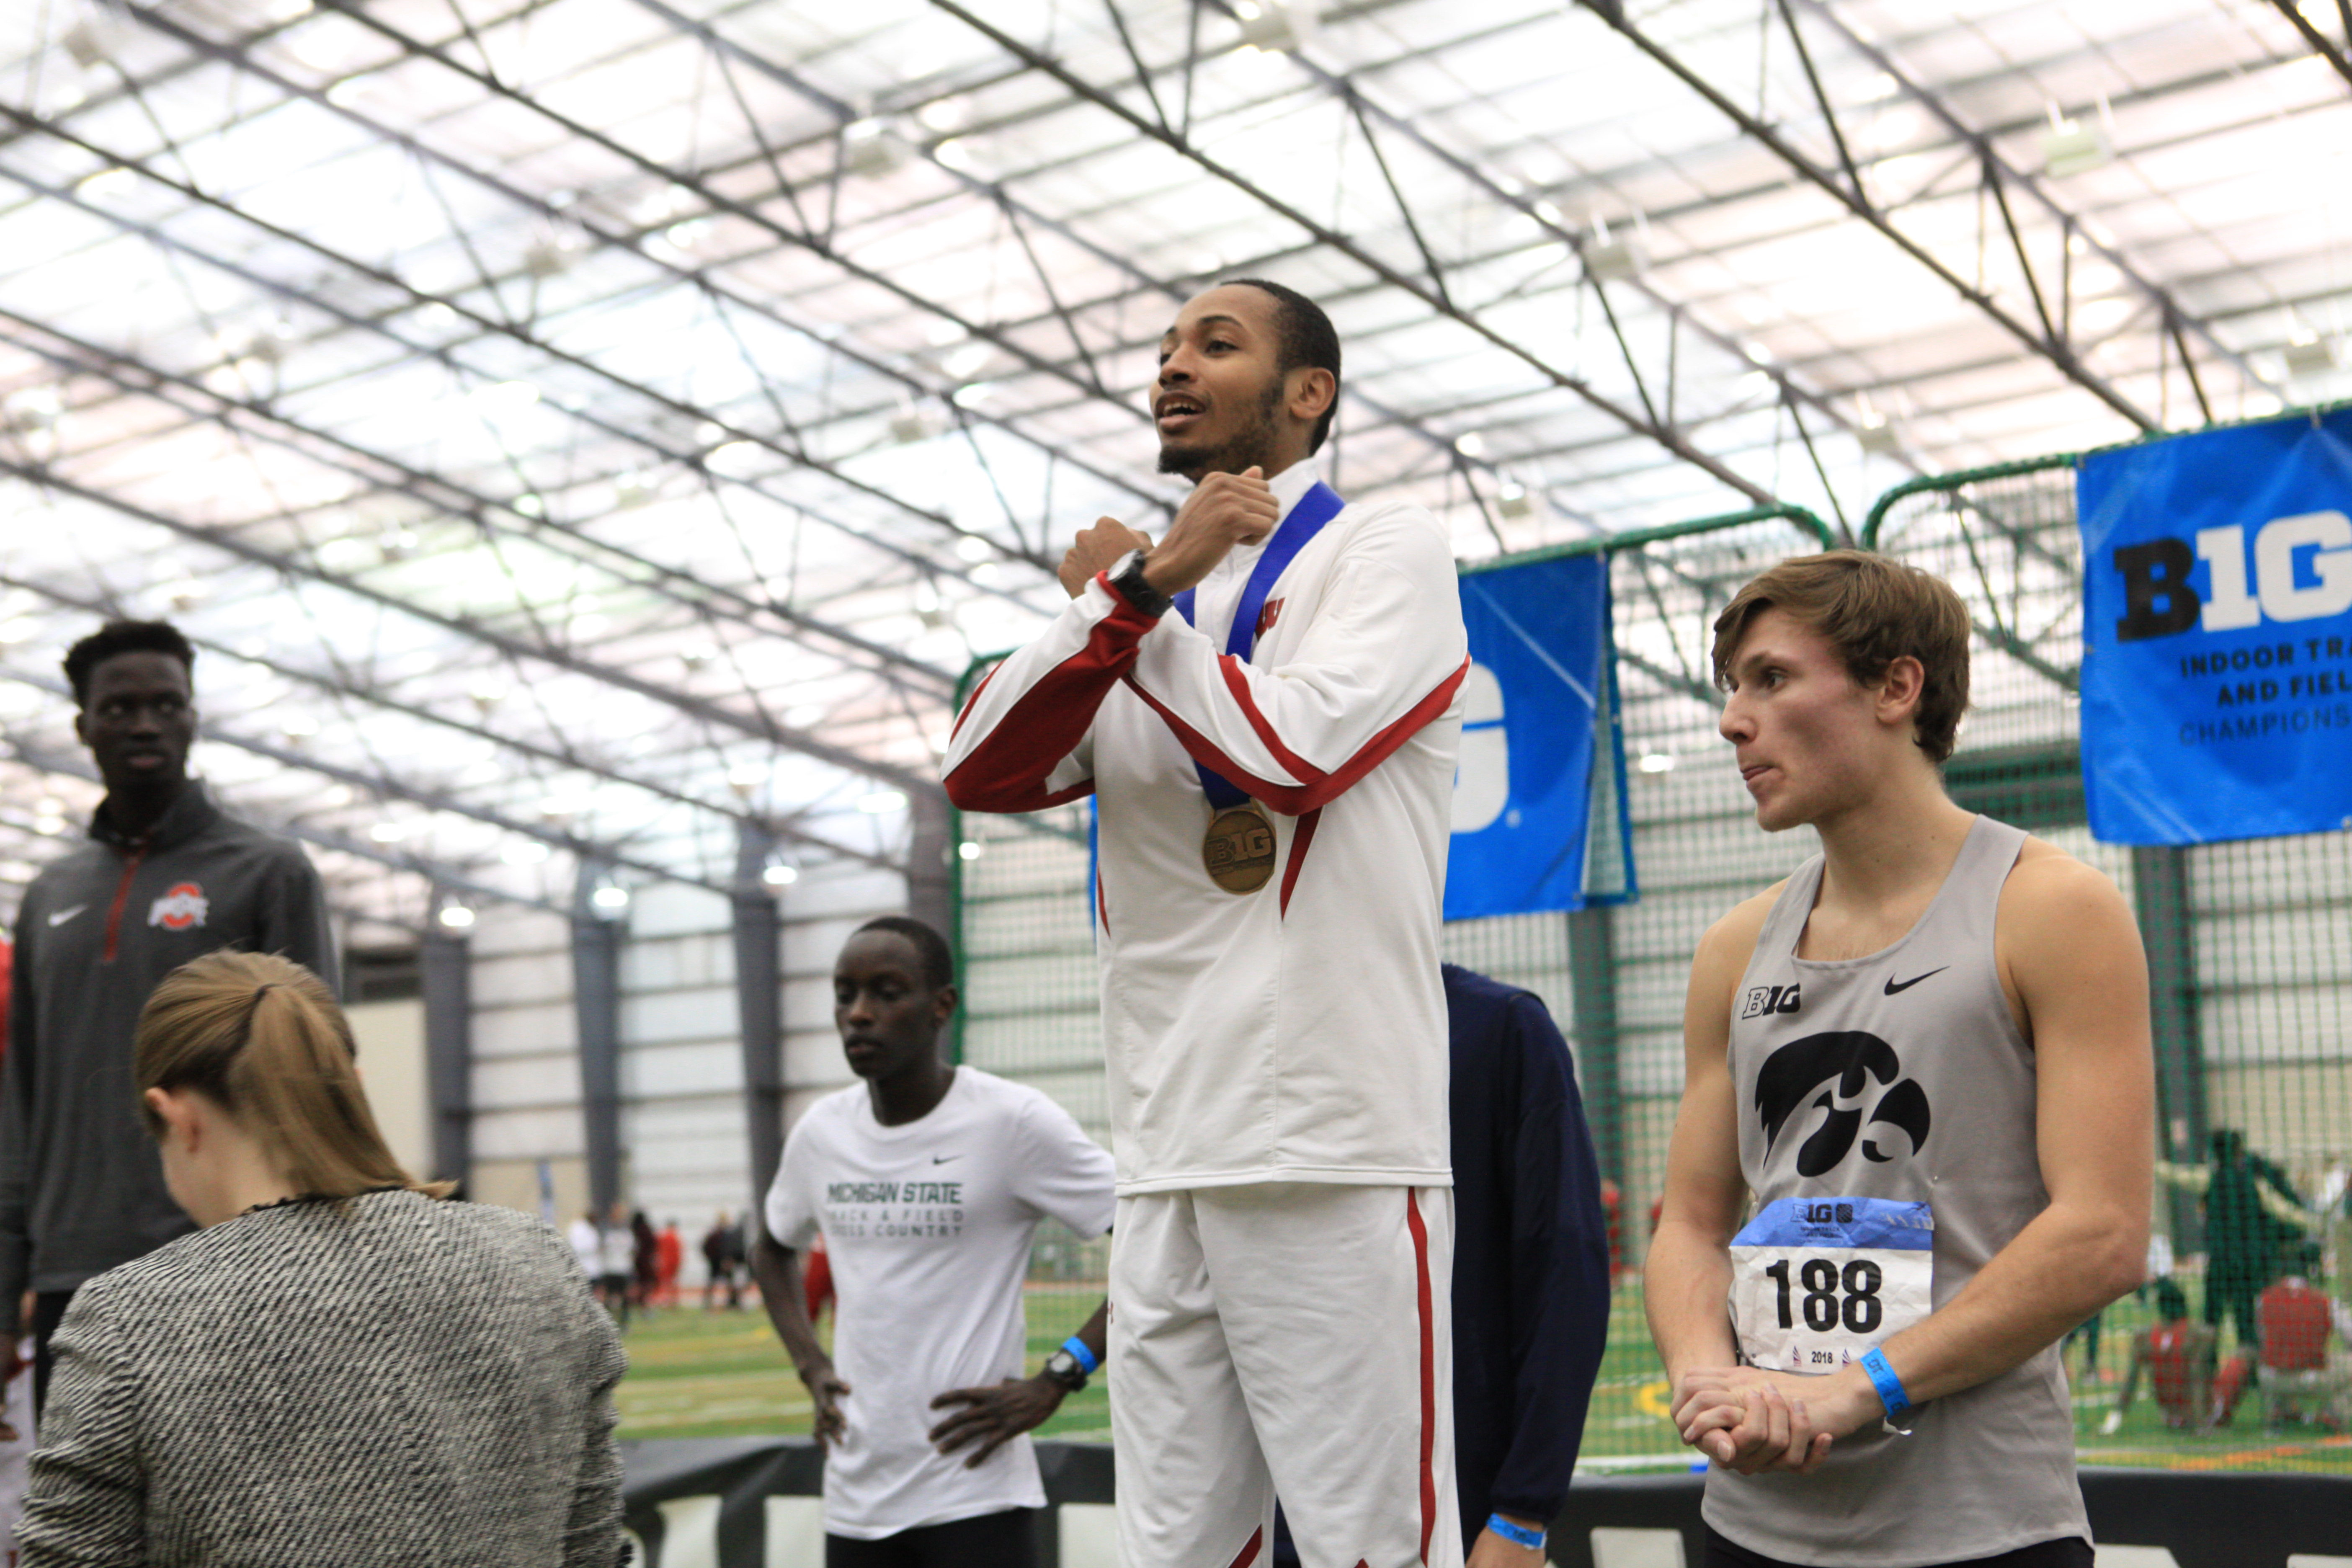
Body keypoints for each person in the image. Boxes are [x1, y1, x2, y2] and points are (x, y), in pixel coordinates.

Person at [943, 279, 1469, 1568]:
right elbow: (980, 772)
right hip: (1166, 1151)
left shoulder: (1385, 554)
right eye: (1167, 346)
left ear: (1309, 395)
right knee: (1178, 1551)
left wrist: (1145, 614)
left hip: (1328, 1142)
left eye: (1214, 344)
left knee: (1369, 1548)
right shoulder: (1128, 606)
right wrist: (1136, 591)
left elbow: (1294, 757)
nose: (1173, 365)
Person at [1645, 551, 2154, 1568]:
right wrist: (1711, 1380)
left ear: (1897, 686)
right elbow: (1692, 1223)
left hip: (1979, 1526)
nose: (1732, 719)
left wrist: (1855, 1386)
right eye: (1731, 688)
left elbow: (2102, 1232)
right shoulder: (1732, 948)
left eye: (1772, 678)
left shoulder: (2052, 907)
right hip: (1750, 1526)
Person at [17, 949, 625, 1565]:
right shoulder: (538, 1265)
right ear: (354, 1090)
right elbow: (595, 1550)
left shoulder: (128, 1322)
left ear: (176, 1117)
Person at [0, 620, 336, 1416]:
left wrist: (313, 1259)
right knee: (84, 1535)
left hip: (225, 1265)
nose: (144, 723)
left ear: (193, 717)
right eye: (119, 707)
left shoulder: (269, 871)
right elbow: (20, 1103)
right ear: (84, 727)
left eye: (166, 703)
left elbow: (314, 1078)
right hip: (69, 1278)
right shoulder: (48, 896)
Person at [753, 916, 1114, 1567]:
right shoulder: (822, 1132)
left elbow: (1159, 1240)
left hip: (974, 1491)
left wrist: (1062, 1375)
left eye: (887, 993)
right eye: (845, 995)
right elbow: (772, 1247)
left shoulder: (1012, 1123)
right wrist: (812, 1367)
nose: (859, 1015)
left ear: (941, 1006)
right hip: (856, 1498)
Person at [1276, 963, 1614, 1568]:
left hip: (1453, 1499)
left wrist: (1522, 1515)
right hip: (1286, 1496)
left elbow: (1564, 1273)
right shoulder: (1252, 1040)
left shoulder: (1498, 1028)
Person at [2099, 1278, 2215, 1432]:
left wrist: (2114, 1419)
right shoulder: (2201, 1335)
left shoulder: (2146, 1338)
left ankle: (2115, 1419)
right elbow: (2198, 1377)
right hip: (2203, 1413)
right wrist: (2201, 1422)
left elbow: (2131, 1381)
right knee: (2243, 1356)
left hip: (2169, 1415)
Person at [596, 1202, 634, 1329]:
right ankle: (607, 1324)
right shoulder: (605, 1231)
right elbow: (601, 1249)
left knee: (625, 1298)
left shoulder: (626, 1232)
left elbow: (632, 1249)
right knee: (608, 1298)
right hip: (610, 1269)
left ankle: (624, 1323)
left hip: (623, 1269)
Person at [701, 1211, 741, 1310]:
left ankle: (733, 1303)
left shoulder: (727, 1234)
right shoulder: (716, 1234)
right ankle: (708, 1302)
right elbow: (707, 1247)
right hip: (716, 1262)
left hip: (725, 1262)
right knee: (714, 1283)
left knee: (730, 1284)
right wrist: (712, 1258)